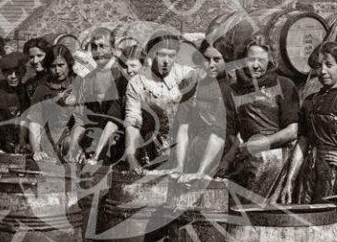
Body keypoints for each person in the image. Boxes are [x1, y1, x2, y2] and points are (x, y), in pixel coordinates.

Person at [280, 42, 337, 204]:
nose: (322, 71)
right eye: (318, 66)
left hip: (335, 175)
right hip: (309, 171)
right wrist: (290, 180)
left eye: (329, 65)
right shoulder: (310, 101)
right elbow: (302, 142)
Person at [228, 40, 300, 200]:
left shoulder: (284, 84)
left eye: (261, 60)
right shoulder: (236, 89)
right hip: (248, 159)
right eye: (250, 59)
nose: (255, 65)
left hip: (278, 158)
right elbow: (232, 131)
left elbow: (292, 130)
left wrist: (261, 144)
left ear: (270, 61)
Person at [124, 32, 195, 174]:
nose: (166, 61)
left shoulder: (185, 75)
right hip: (152, 143)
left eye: (171, 56)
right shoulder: (137, 82)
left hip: (185, 141)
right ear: (150, 55)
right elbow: (133, 123)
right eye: (161, 55)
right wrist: (131, 157)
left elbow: (184, 123)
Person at [173, 38, 239, 181]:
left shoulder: (234, 89)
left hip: (226, 157)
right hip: (196, 154)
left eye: (217, 59)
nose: (211, 65)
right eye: (207, 59)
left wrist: (202, 172)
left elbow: (221, 134)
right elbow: (183, 127)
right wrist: (180, 165)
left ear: (226, 60)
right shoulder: (194, 87)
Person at [66, 27, 127, 165]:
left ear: (112, 49)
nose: (98, 51)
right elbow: (80, 121)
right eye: (94, 47)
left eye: (102, 46)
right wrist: (73, 149)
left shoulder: (121, 78)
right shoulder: (86, 79)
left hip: (118, 135)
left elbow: (114, 122)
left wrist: (95, 156)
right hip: (94, 134)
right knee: (68, 144)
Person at [26, 44, 75, 161]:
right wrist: (36, 150)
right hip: (49, 143)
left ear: (69, 65)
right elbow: (35, 123)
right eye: (53, 66)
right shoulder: (42, 90)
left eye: (61, 65)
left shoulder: (79, 85)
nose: (57, 70)